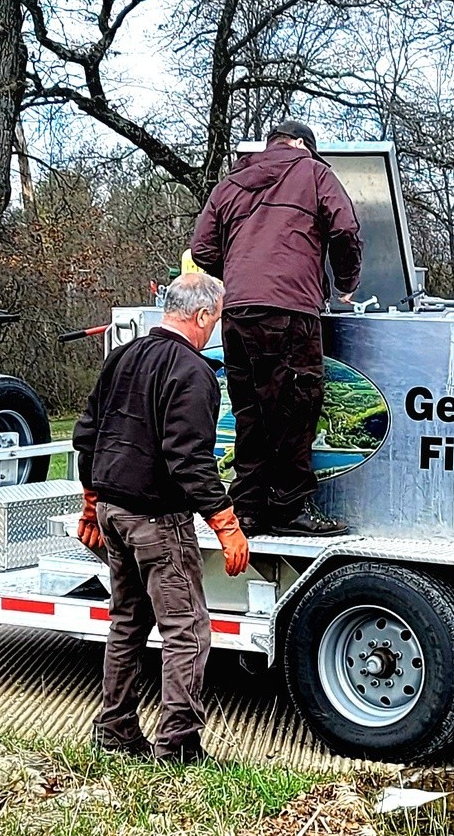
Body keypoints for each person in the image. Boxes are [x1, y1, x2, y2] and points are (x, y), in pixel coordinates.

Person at [73, 273, 251, 763]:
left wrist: (92, 503)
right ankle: (177, 748)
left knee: (126, 623)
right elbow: (189, 459)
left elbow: (87, 435)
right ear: (200, 316)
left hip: (112, 511)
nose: (214, 327)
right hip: (156, 519)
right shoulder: (193, 373)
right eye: (215, 318)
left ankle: (115, 732)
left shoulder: (121, 357)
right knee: (187, 632)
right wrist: (226, 523)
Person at [188, 119, 363, 537]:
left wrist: (239, 274)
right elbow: (345, 229)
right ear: (302, 145)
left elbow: (202, 249)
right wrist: (345, 283)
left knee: (250, 411)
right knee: (293, 408)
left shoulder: (232, 181)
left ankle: (247, 509)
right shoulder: (313, 171)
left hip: (237, 312)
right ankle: (288, 509)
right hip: (289, 310)